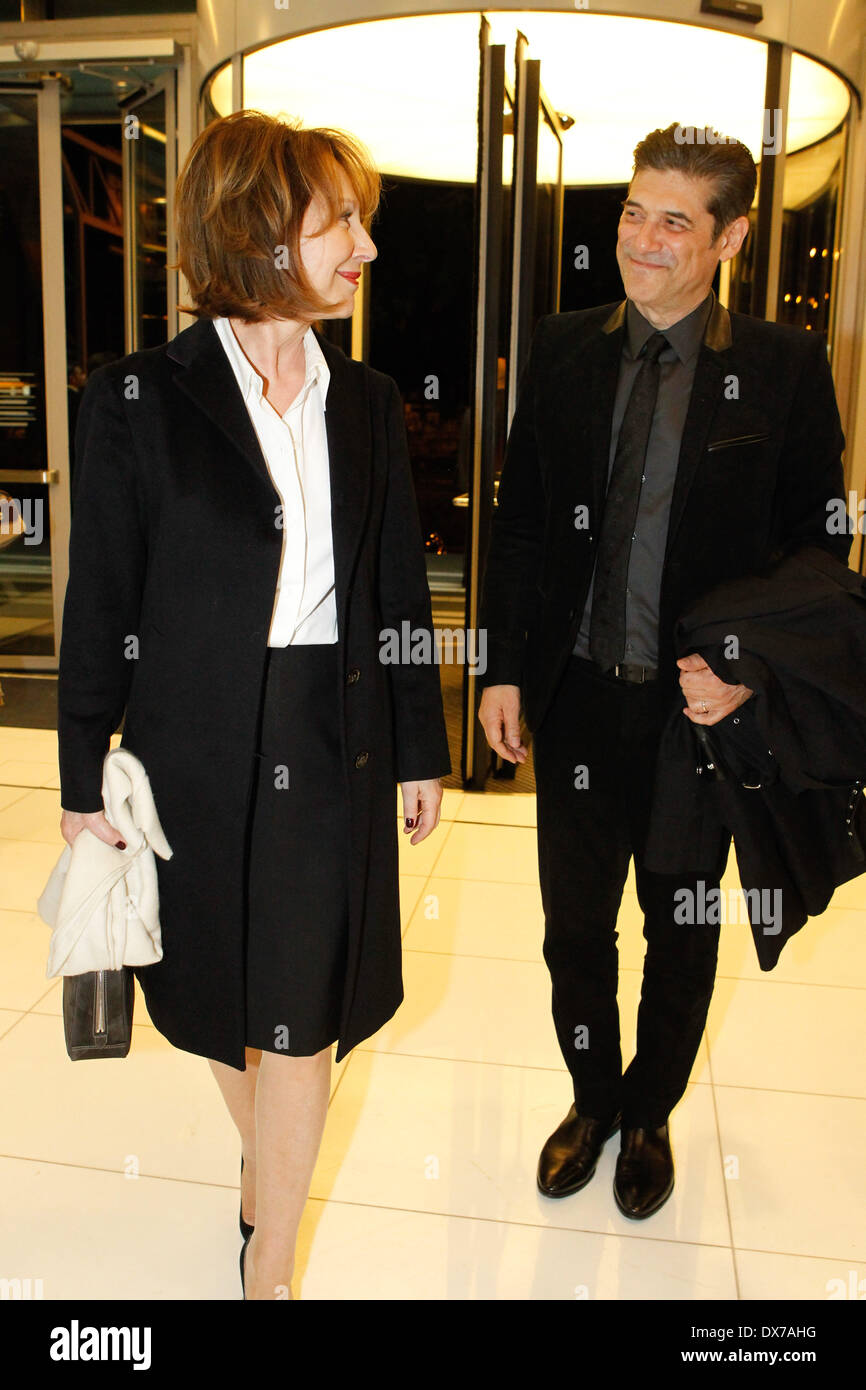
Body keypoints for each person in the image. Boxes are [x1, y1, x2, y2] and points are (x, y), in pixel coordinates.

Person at [57, 110, 450, 1298]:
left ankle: (267, 1262)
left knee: (302, 1014)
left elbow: (393, 587)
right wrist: (82, 780)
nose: (366, 248)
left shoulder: (368, 402)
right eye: (342, 222)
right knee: (217, 999)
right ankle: (264, 1167)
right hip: (196, 740)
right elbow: (100, 593)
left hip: (332, 738)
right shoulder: (136, 398)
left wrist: (422, 744)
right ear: (264, 234)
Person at [478, 122, 849, 1220]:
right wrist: (501, 669)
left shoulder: (778, 369)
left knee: (680, 921)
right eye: (633, 211)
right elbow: (522, 526)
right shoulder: (563, 347)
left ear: (728, 237)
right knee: (569, 926)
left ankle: (649, 1114)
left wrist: (747, 676)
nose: (640, 239)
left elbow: (816, 550)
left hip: (698, 710)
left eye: (673, 220)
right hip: (579, 698)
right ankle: (592, 1099)